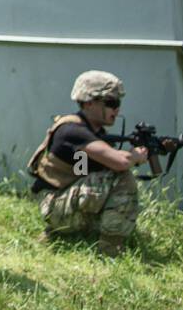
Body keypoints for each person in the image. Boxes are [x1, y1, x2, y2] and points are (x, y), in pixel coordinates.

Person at [28, 70, 146, 257]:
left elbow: (81, 173)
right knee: (122, 178)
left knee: (107, 178)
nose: (116, 109)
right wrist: (136, 156)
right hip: (54, 206)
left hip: (59, 204)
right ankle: (110, 251)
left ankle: (63, 234)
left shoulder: (90, 134)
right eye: (111, 103)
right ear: (89, 102)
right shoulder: (74, 131)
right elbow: (121, 162)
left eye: (118, 103)